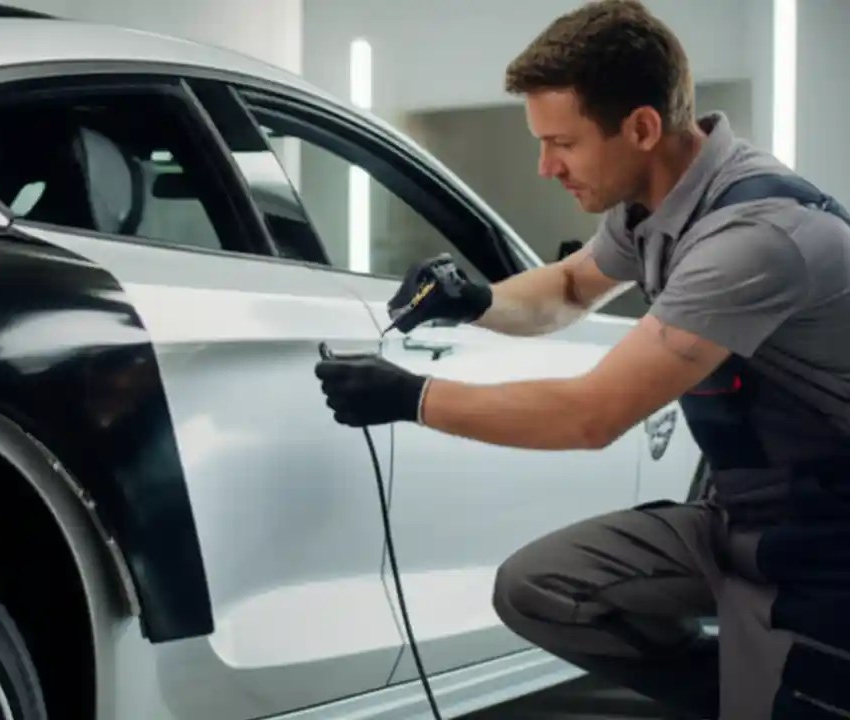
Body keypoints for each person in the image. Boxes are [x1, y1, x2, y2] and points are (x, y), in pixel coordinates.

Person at [314, 1, 850, 718]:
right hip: (742, 522)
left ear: (641, 127)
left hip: (829, 545)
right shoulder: (657, 205)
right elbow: (568, 287)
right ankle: (747, 695)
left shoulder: (753, 240)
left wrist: (413, 398)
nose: (545, 167)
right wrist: (474, 301)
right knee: (541, 585)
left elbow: (592, 414)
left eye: (561, 142)